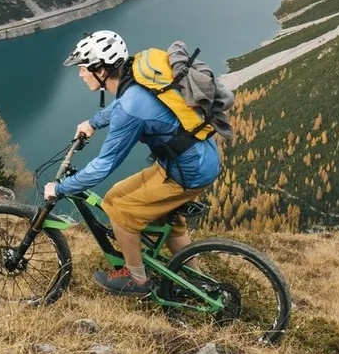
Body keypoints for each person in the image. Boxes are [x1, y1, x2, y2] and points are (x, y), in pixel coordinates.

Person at [45, 30, 222, 295]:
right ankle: (197, 279)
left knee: (121, 213)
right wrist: (93, 123)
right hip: (195, 159)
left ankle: (137, 280)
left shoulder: (131, 106)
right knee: (116, 197)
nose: (80, 74)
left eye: (84, 68)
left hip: (187, 172)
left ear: (102, 70)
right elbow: (124, 106)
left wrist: (59, 189)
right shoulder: (137, 75)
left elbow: (104, 165)